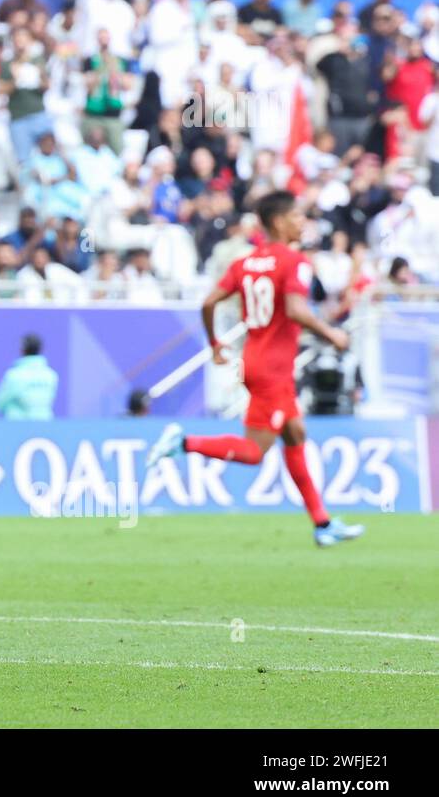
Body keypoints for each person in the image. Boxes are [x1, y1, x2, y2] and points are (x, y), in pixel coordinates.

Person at [144, 191, 364, 548]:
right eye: (295, 215)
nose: (301, 221)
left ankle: (323, 524)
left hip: (256, 361)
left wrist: (216, 344)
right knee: (255, 451)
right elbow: (295, 309)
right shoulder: (294, 261)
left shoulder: (243, 263)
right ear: (278, 221)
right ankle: (183, 442)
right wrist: (332, 334)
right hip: (274, 369)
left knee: (294, 434)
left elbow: (209, 301)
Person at [0, 334, 59, 419]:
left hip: (18, 427)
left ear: (22, 350)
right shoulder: (51, 375)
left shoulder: (15, 375)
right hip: (44, 425)